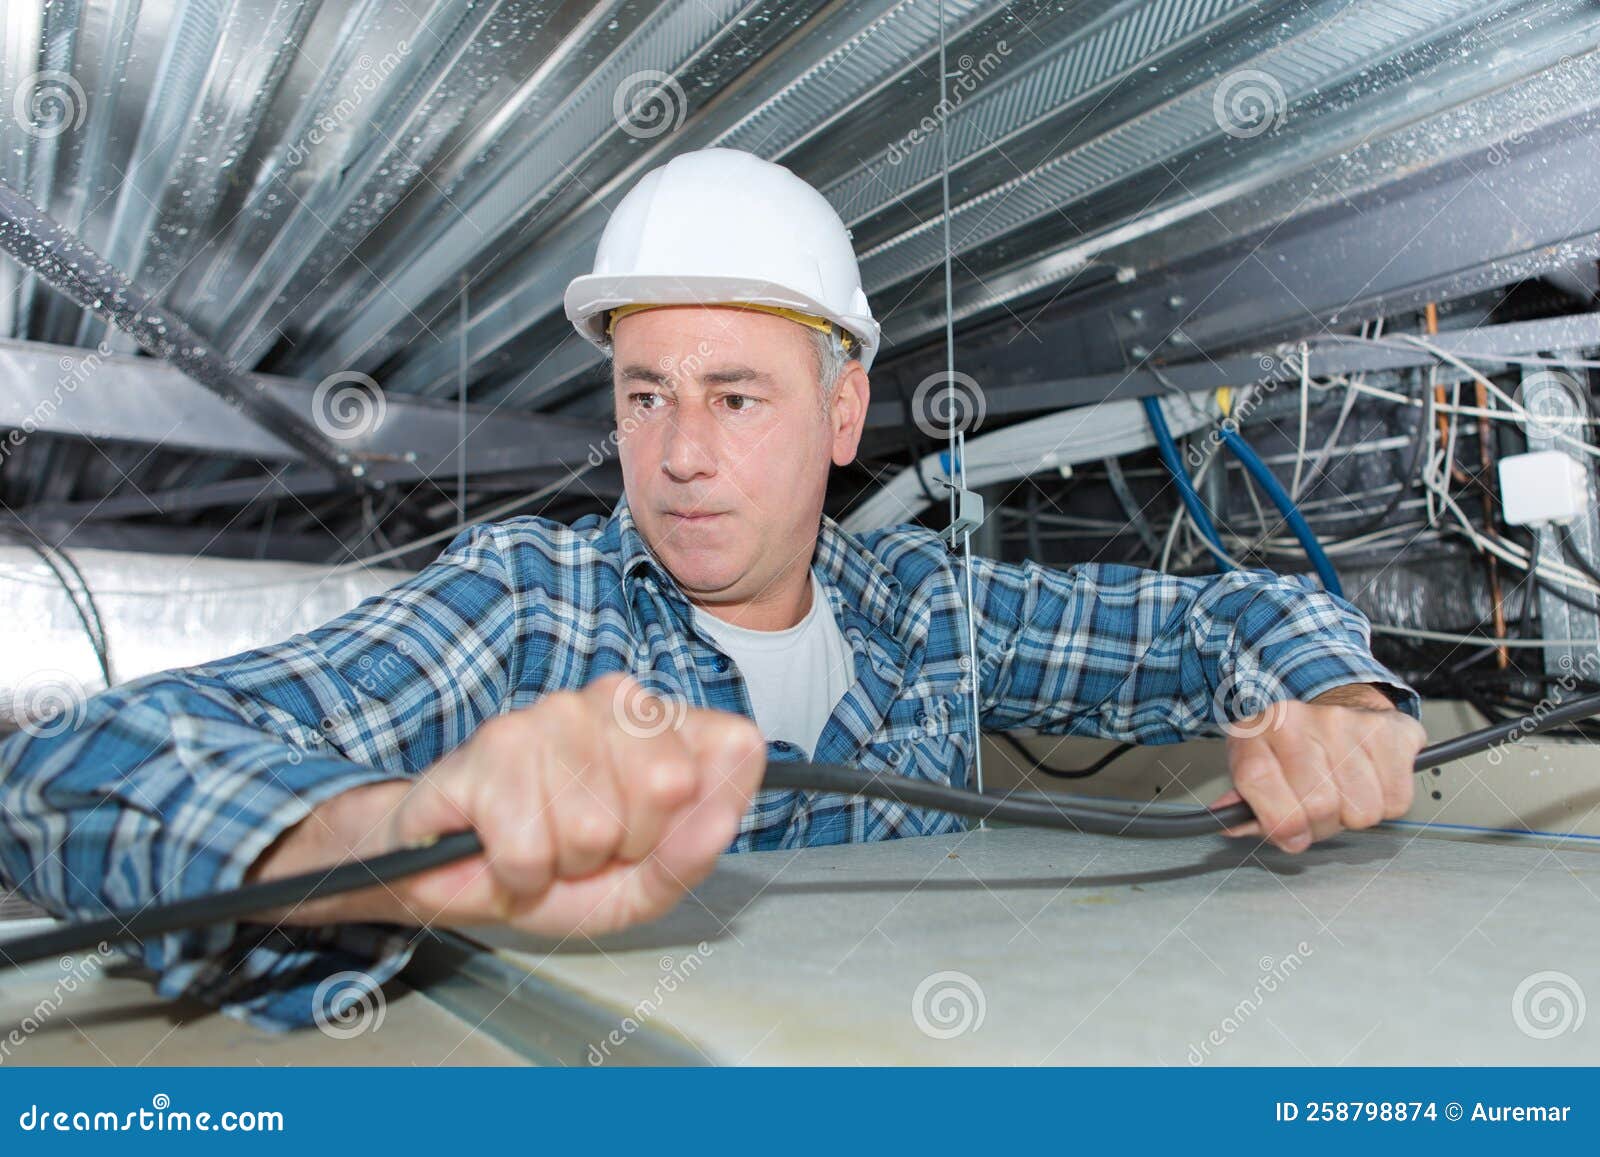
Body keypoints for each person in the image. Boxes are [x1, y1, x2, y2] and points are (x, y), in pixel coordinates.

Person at [0, 148, 1425, 1030]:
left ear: (843, 407)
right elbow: (66, 773)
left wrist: (1335, 697)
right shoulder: (530, 605)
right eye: (645, 395)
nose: (678, 456)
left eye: (737, 397)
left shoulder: (935, 609)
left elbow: (1218, 617)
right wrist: (390, 830)